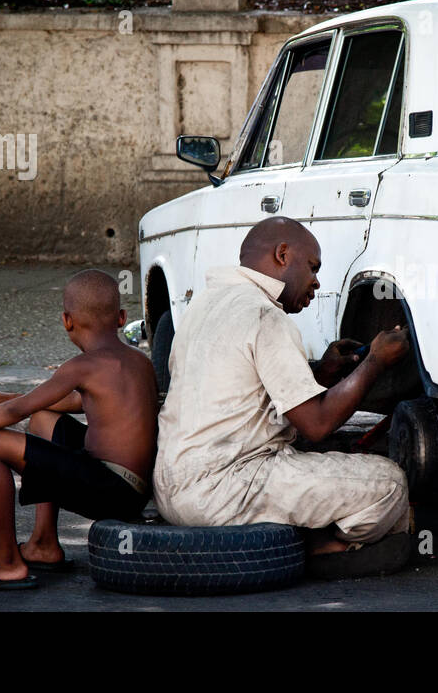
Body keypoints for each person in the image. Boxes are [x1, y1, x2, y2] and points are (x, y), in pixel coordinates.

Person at [154, 216, 415, 575]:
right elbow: (317, 425)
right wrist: (375, 361)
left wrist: (322, 373)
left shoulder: (205, 305)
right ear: (282, 255)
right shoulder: (264, 316)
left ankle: (294, 535)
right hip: (226, 490)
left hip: (171, 490)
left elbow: (248, 390)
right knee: (388, 484)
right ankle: (319, 547)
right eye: (312, 267)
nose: (316, 281)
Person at [0, 269, 158, 591]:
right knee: (42, 417)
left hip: (110, 491)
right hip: (133, 490)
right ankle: (43, 543)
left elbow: (14, 413)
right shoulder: (138, 361)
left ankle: (6, 562)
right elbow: (73, 401)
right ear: (122, 317)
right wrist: (7, 397)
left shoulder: (82, 365)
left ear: (67, 320)